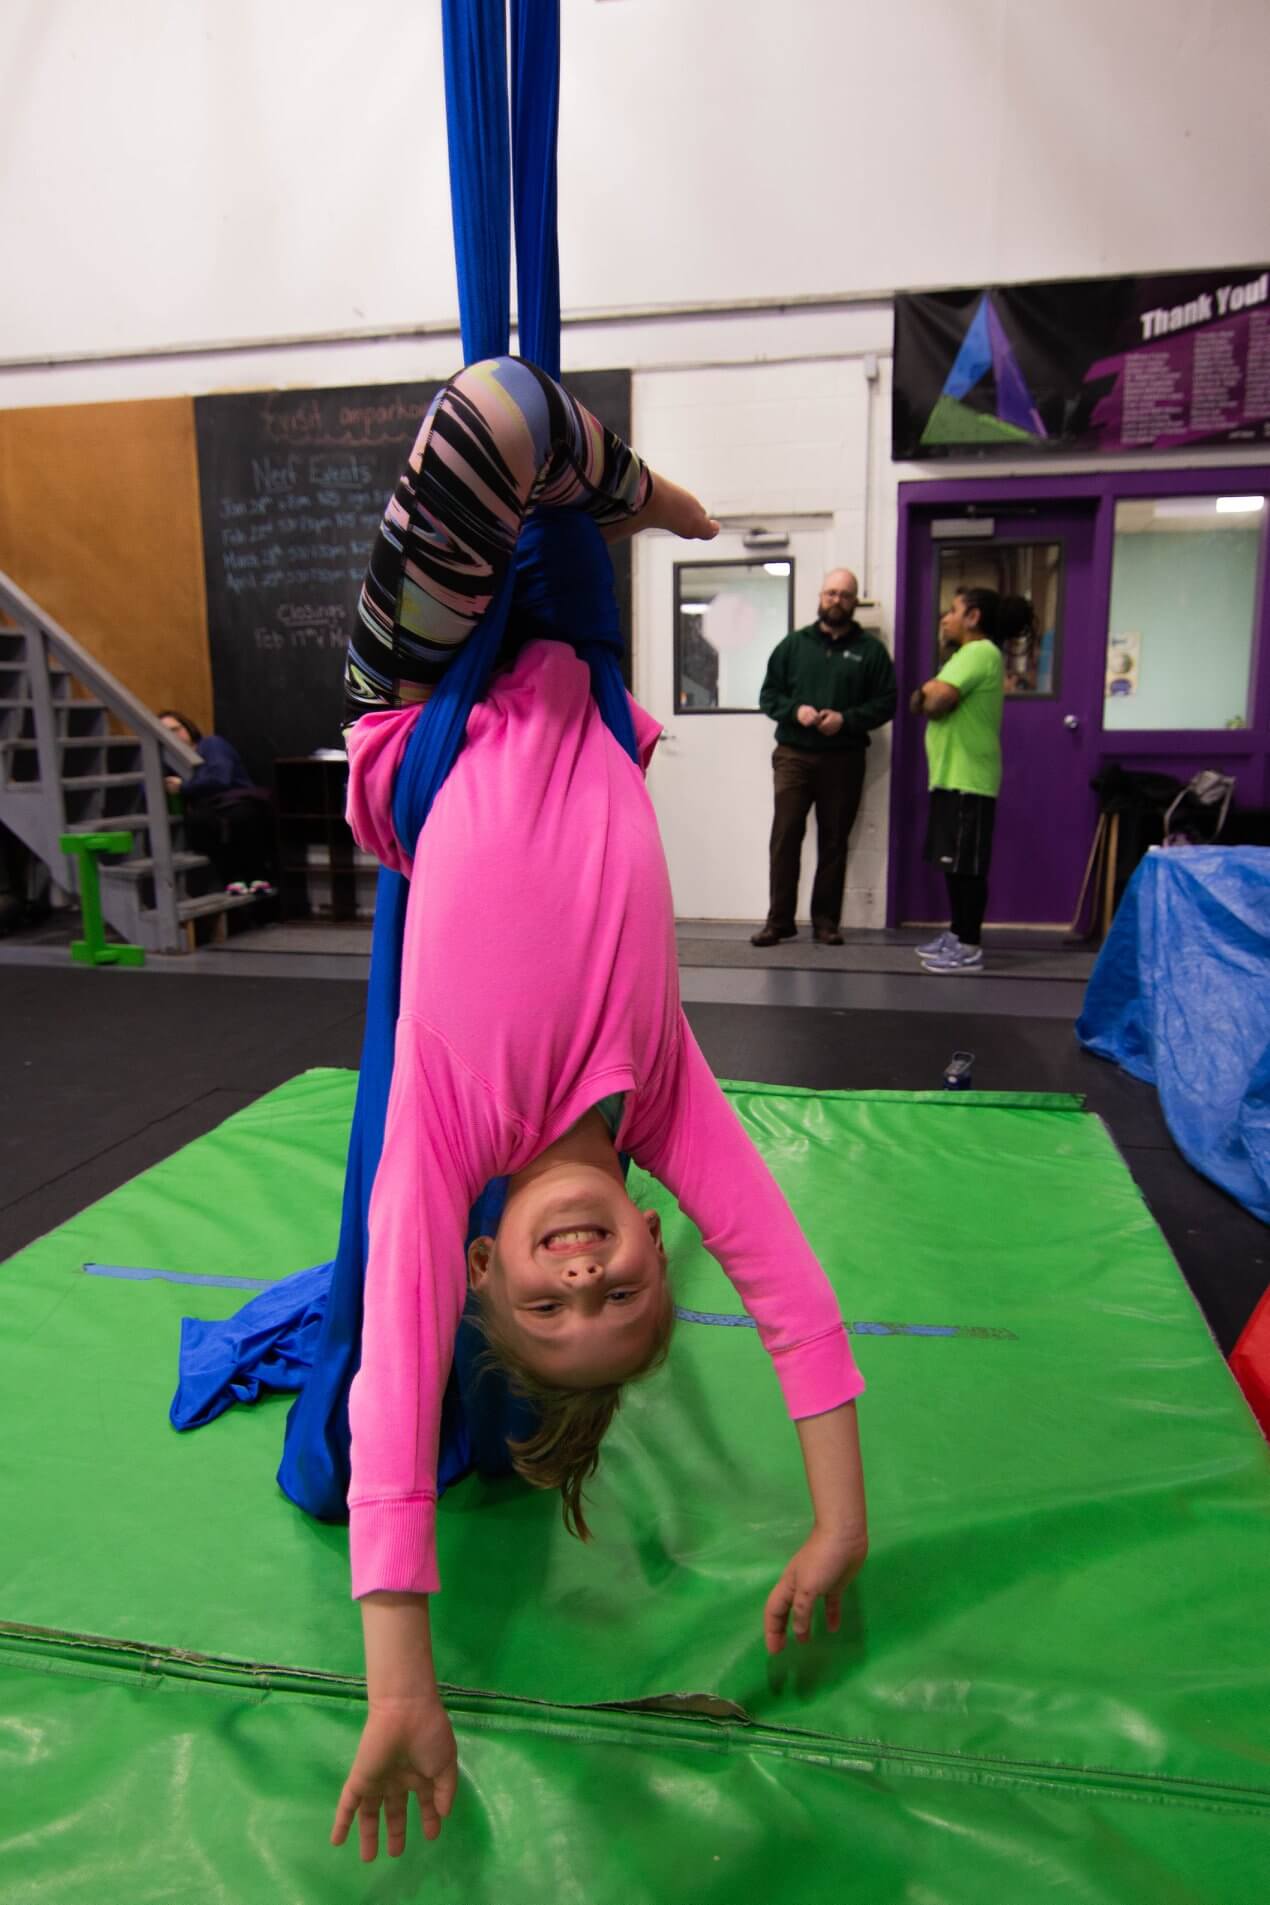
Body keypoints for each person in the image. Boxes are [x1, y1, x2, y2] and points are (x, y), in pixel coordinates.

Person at [328, 357, 870, 1862]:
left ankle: (642, 496)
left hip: (423, 699)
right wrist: (836, 1520)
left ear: (488, 1267)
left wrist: (400, 1673)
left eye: (552, 1305)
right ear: (646, 1227)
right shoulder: (665, 1096)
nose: (583, 1280)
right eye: (619, 1290)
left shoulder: (445, 1135)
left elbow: (388, 1400)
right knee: (536, 453)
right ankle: (625, 499)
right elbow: (788, 1292)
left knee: (500, 417)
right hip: (571, 647)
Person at [751, 571, 897, 947]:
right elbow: (768, 696)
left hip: (844, 758)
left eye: (845, 595)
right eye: (831, 593)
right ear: (821, 596)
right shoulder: (793, 646)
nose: (836, 600)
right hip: (794, 756)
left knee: (834, 842)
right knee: (785, 837)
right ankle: (779, 921)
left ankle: (826, 923)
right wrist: (794, 710)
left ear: (854, 602)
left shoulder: (871, 651)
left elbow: (886, 703)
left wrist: (846, 720)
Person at [908, 588, 1022, 975]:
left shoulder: (980, 652)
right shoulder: (966, 656)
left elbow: (935, 700)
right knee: (954, 864)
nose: (945, 618)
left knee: (968, 867)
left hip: (969, 777)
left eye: (953, 611)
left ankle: (969, 945)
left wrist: (925, 693)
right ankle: (958, 933)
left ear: (973, 617)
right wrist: (924, 696)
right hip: (951, 776)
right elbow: (923, 701)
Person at [158, 711, 275, 895]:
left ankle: (257, 875)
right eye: (167, 733)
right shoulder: (169, 759)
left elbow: (220, 779)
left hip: (236, 799)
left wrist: (183, 786)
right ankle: (233, 878)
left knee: (240, 817)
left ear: (187, 728)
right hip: (208, 809)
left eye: (176, 729)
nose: (174, 736)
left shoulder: (211, 745)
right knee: (200, 821)